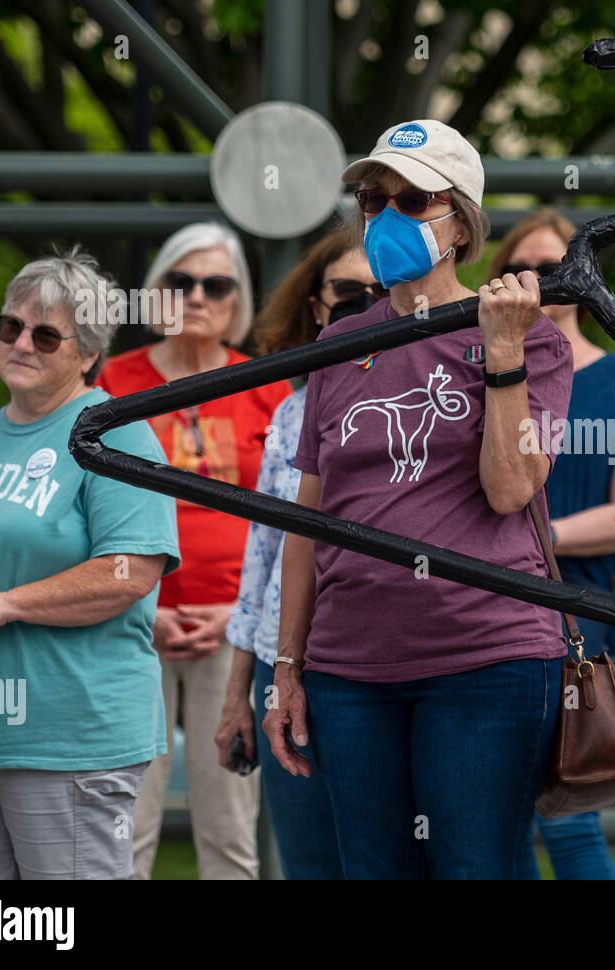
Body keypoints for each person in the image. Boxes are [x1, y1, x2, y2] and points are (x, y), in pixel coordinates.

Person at [265, 119, 574, 879]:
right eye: (373, 199)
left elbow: (510, 489)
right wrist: (286, 667)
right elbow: (304, 523)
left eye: (412, 199)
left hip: (485, 656)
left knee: (475, 868)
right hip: (350, 668)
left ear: (460, 222)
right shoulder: (338, 347)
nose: (385, 215)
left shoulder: (532, 339)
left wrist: (500, 351)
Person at [0, 248, 180, 879]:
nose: (22, 344)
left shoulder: (115, 433)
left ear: (88, 353)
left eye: (45, 334)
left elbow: (130, 571)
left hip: (70, 736)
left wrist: (1, 604)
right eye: (11, 327)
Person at [100, 222, 293, 880]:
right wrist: (139, 606)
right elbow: (84, 506)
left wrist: (241, 615)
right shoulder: (113, 382)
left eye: (216, 284)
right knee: (121, 825)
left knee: (230, 830)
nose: (197, 296)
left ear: (236, 301)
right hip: (128, 623)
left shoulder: (267, 386)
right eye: (180, 282)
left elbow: (292, 522)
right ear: (157, 293)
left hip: (232, 632)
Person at [215, 229, 384, 879]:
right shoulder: (291, 413)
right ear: (317, 304)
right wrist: (239, 694)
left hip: (378, 666)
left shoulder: (432, 406)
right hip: (281, 667)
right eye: (348, 291)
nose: (365, 303)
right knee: (307, 859)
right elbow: (263, 553)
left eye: (381, 292)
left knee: (383, 857)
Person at [492, 210, 615, 880]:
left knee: (569, 815)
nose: (537, 280)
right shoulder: (490, 373)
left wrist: (525, 541)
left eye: (554, 266)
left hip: (579, 611)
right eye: (517, 268)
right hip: (488, 609)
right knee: (498, 814)